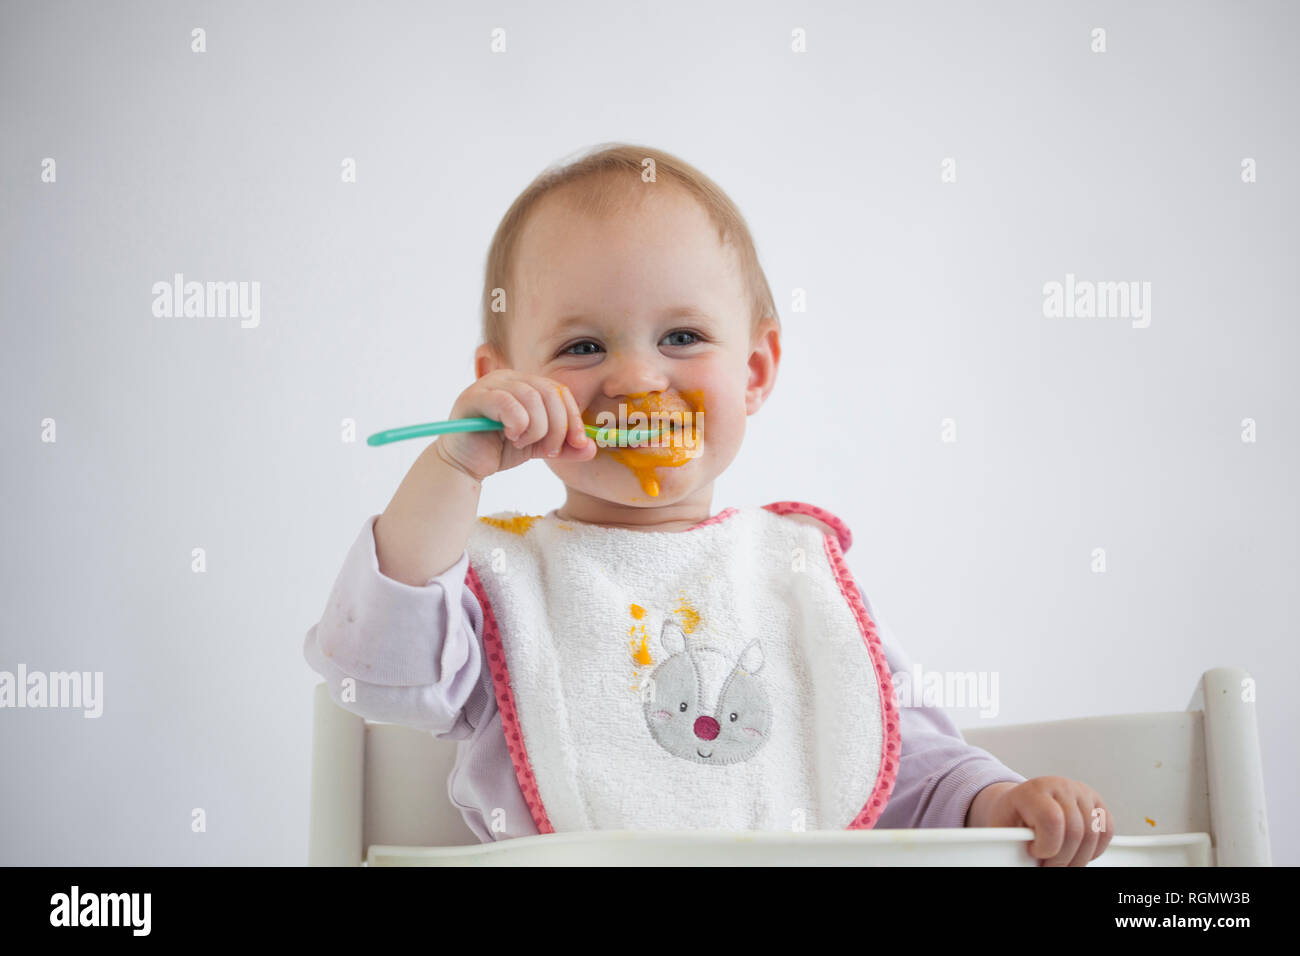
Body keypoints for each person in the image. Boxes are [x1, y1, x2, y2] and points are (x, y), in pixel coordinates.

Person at [304, 143, 1112, 865]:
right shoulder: (495, 580)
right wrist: (456, 463)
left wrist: (999, 803)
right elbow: (375, 669)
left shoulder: (796, 568)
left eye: (681, 337)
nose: (637, 379)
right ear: (503, 378)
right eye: (583, 348)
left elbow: (902, 759)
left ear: (756, 370)